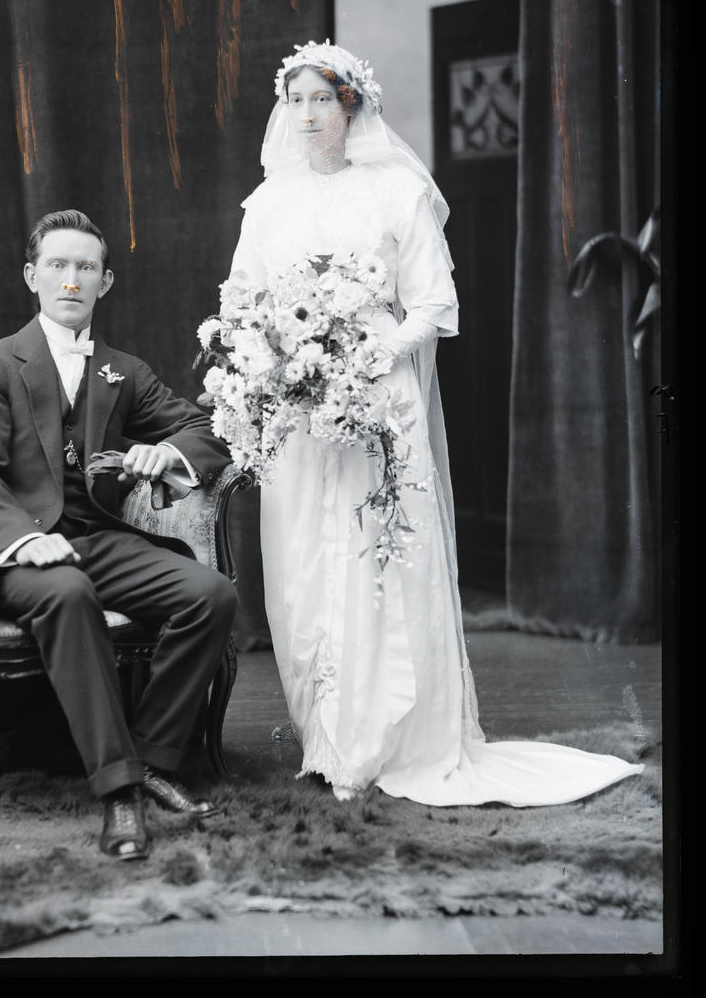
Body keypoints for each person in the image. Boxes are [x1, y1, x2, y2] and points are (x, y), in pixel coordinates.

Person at [224, 40, 644, 805]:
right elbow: (243, 303)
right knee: (306, 563)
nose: (310, 114)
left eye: (325, 98)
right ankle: (328, 734)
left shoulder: (396, 195)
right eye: (299, 100)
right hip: (304, 417)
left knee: (375, 558)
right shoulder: (268, 204)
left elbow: (433, 308)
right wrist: (280, 364)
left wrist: (362, 357)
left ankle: (387, 741)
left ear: (352, 106)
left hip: (378, 401)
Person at [0, 208, 237, 859]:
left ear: (105, 283)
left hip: (89, 537)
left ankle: (155, 756)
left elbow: (209, 429)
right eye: (58, 266)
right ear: (31, 276)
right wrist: (23, 539)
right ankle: (119, 790)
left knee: (209, 594)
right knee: (67, 591)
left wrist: (171, 455)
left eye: (86, 269)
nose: (71, 280)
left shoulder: (121, 371)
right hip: (3, 549)